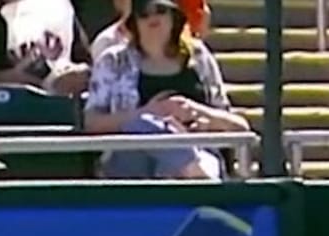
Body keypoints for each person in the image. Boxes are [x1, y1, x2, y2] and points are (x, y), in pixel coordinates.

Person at [83, 0, 246, 180]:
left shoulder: (199, 57)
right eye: (143, 13)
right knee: (142, 124)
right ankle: (194, 170)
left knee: (193, 156)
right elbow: (92, 123)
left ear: (174, 17)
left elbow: (238, 125)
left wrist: (197, 111)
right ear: (134, 22)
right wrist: (148, 113)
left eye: (160, 10)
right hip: (132, 158)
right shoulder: (113, 61)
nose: (152, 18)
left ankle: (191, 166)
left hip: (199, 149)